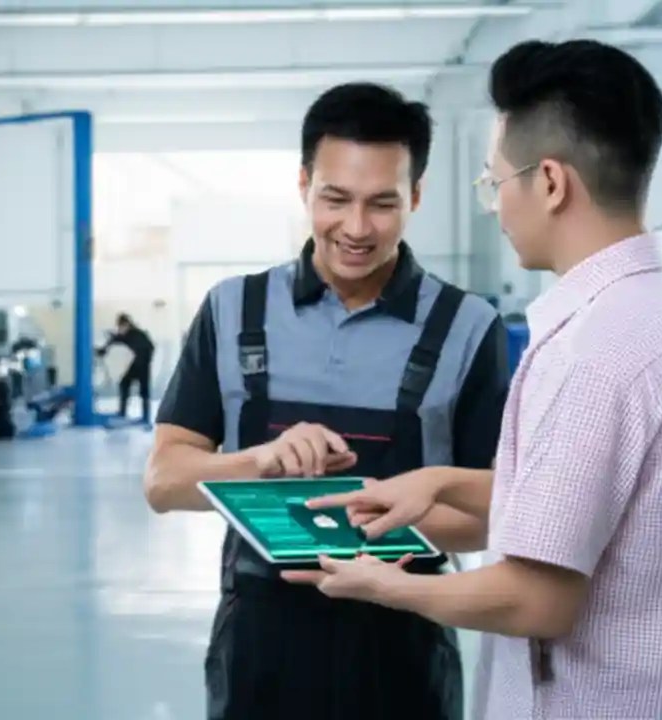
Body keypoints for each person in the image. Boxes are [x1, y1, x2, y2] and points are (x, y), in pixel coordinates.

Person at [284, 40, 662, 720]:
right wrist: (440, 482)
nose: (495, 207)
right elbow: (599, 503)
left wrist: (384, 586)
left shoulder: (591, 351)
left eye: (495, 184)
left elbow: (536, 599)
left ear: (549, 183)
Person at [143, 82, 509, 720]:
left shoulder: (469, 328)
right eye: (335, 199)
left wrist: (359, 522)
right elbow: (164, 482)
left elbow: (492, 513)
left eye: (382, 203)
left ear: (415, 197)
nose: (356, 229)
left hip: (404, 640)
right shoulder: (232, 311)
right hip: (262, 641)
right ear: (304, 184)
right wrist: (259, 462)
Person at [97, 313, 155, 423]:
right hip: (133, 365)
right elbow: (114, 341)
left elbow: (151, 347)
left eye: (121, 327)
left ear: (127, 325)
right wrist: (102, 351)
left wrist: (145, 359)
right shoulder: (126, 335)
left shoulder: (138, 335)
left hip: (143, 366)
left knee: (144, 391)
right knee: (124, 385)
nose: (120, 329)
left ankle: (145, 416)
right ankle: (123, 412)